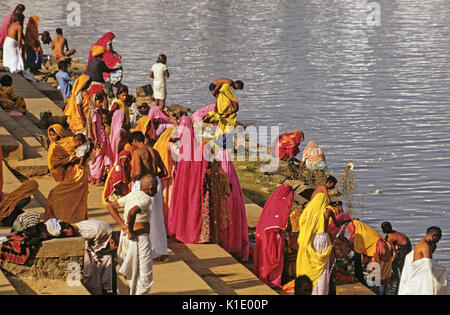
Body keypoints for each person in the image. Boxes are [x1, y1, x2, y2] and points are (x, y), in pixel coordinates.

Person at [106, 174, 158, 295]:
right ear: (150, 187)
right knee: (145, 275)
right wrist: (129, 229)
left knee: (134, 272)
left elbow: (110, 206)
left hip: (129, 238)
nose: (156, 190)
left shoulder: (132, 194)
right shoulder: (146, 198)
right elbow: (132, 211)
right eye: (155, 187)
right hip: (139, 238)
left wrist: (122, 225)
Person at [129, 131, 169, 262]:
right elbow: (164, 172)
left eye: (132, 144)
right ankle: (162, 252)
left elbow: (138, 172)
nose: (133, 147)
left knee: (142, 218)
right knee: (157, 218)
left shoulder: (138, 152)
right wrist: (154, 178)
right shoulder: (154, 151)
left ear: (135, 141)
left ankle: (145, 252)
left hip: (144, 184)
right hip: (155, 182)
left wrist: (132, 178)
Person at [168, 117, 209, 243]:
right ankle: (190, 232)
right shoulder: (197, 146)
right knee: (192, 206)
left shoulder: (183, 147)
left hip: (183, 184)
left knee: (183, 205)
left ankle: (182, 231)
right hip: (194, 185)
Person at [296, 192, 344, 295]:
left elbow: (301, 222)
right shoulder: (328, 211)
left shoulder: (308, 211)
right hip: (324, 239)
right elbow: (336, 223)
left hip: (312, 239)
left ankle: (311, 290)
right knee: (323, 268)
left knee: (312, 264)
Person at [253, 184, 294, 288]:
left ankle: (266, 276)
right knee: (274, 258)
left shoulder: (272, 204)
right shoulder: (282, 206)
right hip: (273, 237)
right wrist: (287, 239)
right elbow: (280, 225)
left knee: (266, 257)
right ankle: (273, 281)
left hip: (265, 235)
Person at [216, 149, 250, 261]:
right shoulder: (233, 178)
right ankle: (234, 245)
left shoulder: (220, 173)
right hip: (233, 201)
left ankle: (225, 245)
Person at [346, 219, 392, 295]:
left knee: (376, 277)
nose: (350, 231)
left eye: (350, 229)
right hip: (384, 249)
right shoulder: (367, 230)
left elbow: (357, 250)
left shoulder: (359, 235)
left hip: (377, 252)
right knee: (383, 276)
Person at [399, 226, 447, 295]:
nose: (437, 242)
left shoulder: (419, 244)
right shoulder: (425, 246)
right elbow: (427, 266)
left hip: (416, 279)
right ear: (433, 236)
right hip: (421, 280)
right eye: (437, 239)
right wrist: (441, 269)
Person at [72, 219, 114, 295]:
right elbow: (75, 228)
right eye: (113, 248)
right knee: (89, 275)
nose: (110, 250)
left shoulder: (108, 231)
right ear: (112, 241)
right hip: (83, 245)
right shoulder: (96, 231)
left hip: (89, 245)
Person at [87, 92, 114, 186]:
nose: (101, 104)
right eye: (99, 102)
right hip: (99, 138)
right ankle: (98, 179)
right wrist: (96, 138)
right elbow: (94, 126)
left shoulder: (94, 111)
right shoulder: (94, 112)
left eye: (102, 102)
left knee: (95, 158)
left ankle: (94, 178)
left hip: (99, 136)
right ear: (94, 101)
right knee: (99, 158)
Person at [381, 221, 412, 294]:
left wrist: (392, 259)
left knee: (397, 264)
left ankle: (399, 280)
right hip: (407, 247)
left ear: (383, 230)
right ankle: (400, 279)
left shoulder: (390, 238)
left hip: (404, 249)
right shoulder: (394, 233)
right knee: (401, 265)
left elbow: (395, 253)